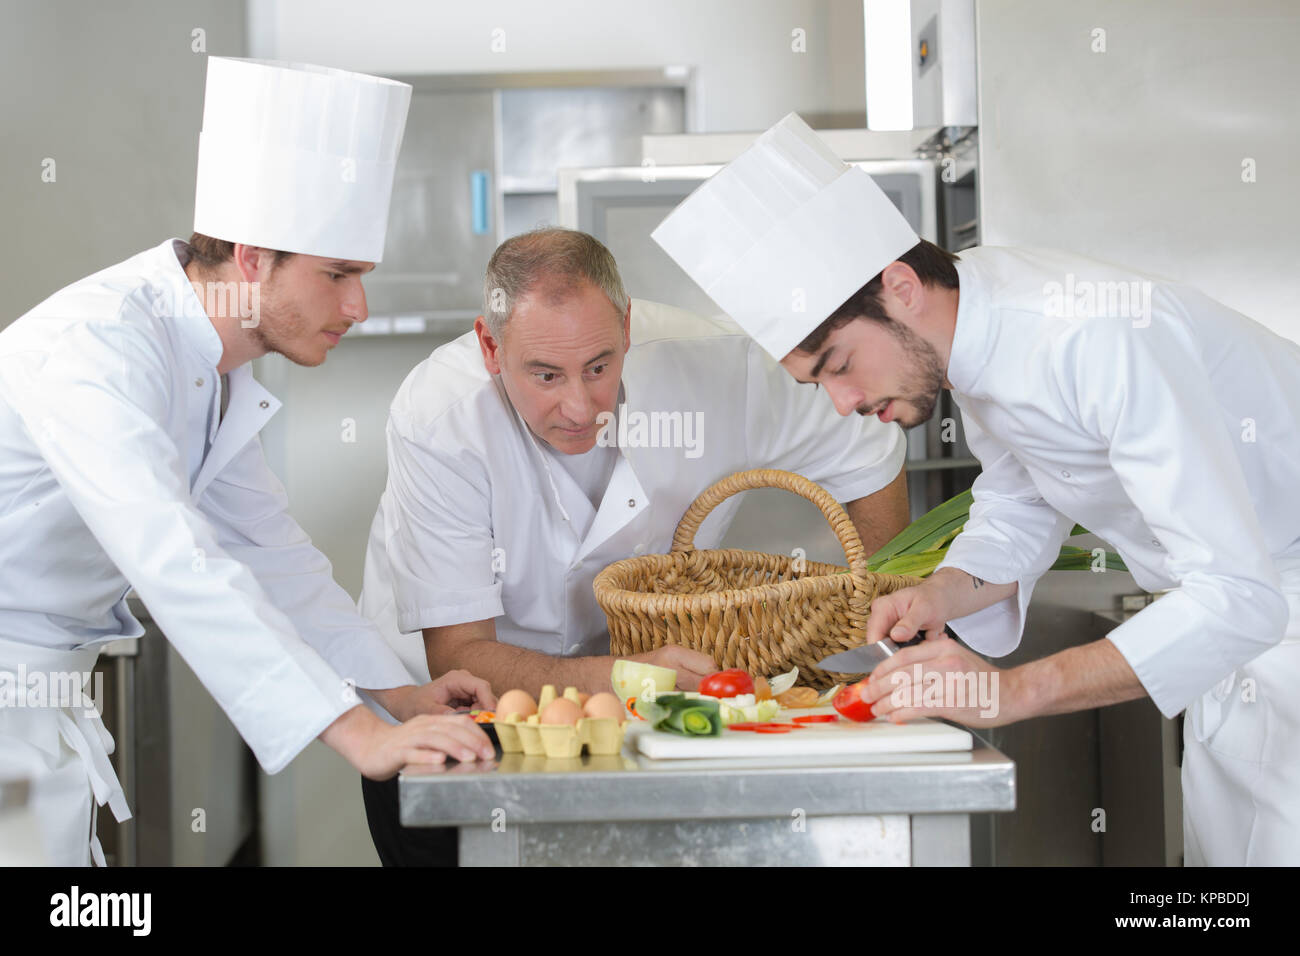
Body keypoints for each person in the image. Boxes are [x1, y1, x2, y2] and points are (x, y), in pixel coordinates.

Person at [652, 111, 1300, 866]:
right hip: (1243, 655)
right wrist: (948, 591)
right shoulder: (975, 326)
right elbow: (1022, 499)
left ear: (899, 287)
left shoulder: (1092, 337)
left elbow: (1237, 594)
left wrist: (1013, 692)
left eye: (837, 364)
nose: (841, 402)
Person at [0, 57, 494, 868]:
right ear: (254, 256)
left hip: (38, 707)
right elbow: (174, 558)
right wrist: (359, 734)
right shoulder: (100, 346)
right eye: (338, 275)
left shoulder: (214, 369)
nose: (357, 307)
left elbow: (271, 555)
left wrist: (394, 694)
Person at [356, 226, 912, 864]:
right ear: (489, 345)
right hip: (451, 723)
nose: (578, 406)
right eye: (544, 375)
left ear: (625, 326)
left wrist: (880, 637)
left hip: (639, 722)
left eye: (599, 367)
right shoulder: (439, 419)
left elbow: (868, 454)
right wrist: (626, 679)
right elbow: (458, 652)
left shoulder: (721, 369)